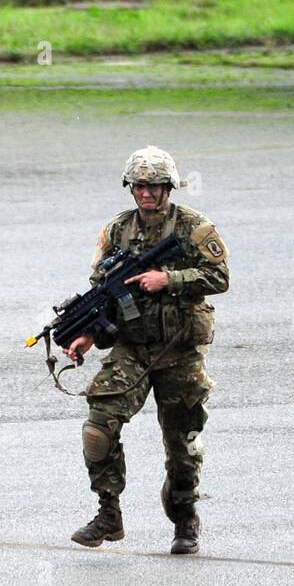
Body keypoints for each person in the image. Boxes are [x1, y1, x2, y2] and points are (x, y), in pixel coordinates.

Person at [67, 146, 228, 555]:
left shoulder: (193, 226)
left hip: (179, 350)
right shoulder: (117, 231)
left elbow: (219, 276)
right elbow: (104, 292)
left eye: (155, 186)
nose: (147, 194)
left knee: (183, 445)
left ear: (168, 187)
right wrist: (87, 334)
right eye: (140, 186)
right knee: (98, 429)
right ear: (130, 187)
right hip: (132, 349)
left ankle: (184, 517)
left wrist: (168, 279)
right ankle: (108, 513)